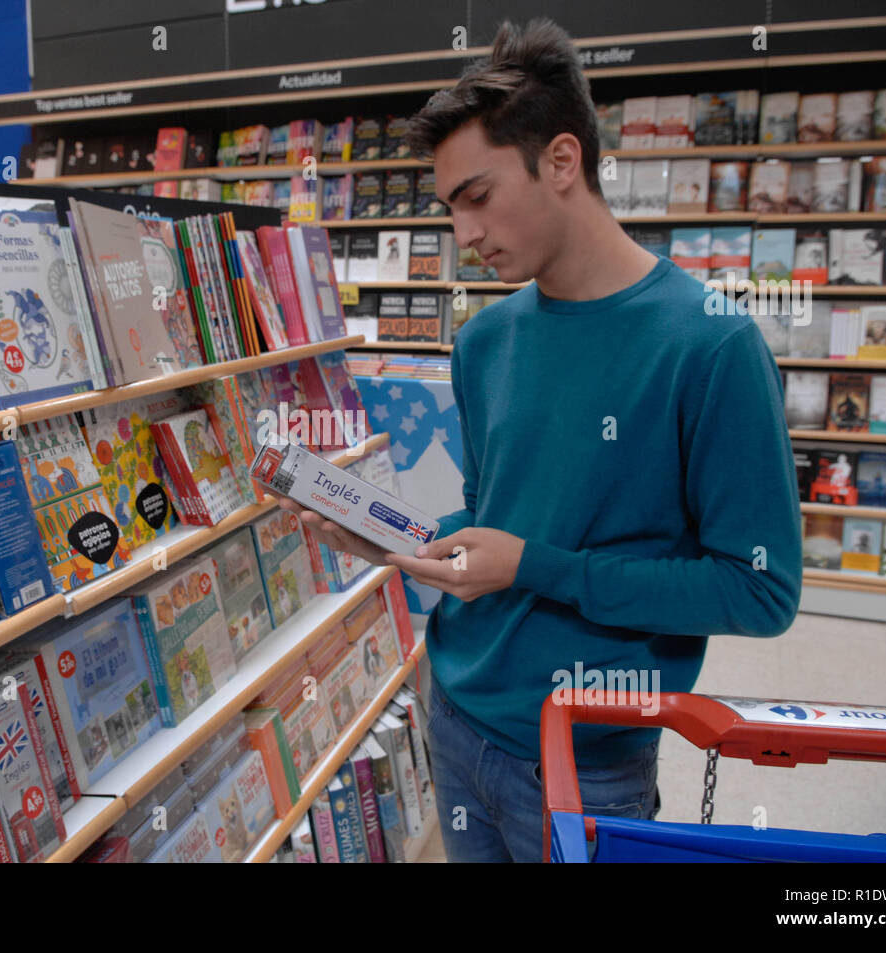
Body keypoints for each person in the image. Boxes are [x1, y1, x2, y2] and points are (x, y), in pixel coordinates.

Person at [272, 17, 801, 862]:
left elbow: (760, 592)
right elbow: (496, 522)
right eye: (449, 209)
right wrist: (390, 542)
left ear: (562, 161)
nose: (465, 235)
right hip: (455, 716)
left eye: (477, 198)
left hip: (586, 754)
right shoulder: (485, 342)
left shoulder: (711, 346)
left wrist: (536, 567)